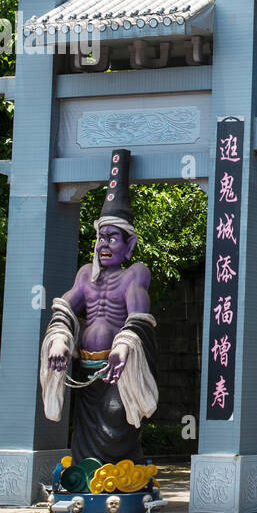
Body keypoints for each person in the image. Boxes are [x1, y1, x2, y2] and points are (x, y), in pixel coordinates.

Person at [39, 149, 159, 463]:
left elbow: (139, 318)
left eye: (113, 238)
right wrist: (61, 340)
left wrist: (124, 347)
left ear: (129, 245)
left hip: (116, 369)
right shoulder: (84, 276)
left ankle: (120, 473)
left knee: (116, 412)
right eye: (100, 238)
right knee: (82, 428)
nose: (104, 245)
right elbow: (63, 309)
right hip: (86, 369)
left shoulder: (135, 275)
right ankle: (86, 475)